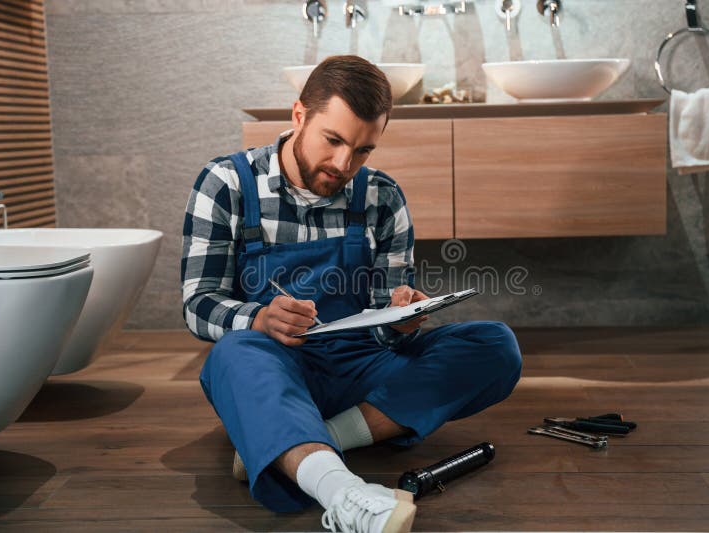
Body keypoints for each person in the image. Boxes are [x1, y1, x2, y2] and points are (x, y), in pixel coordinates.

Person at [180, 55, 522, 533]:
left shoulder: (383, 196)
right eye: (334, 140)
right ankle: (343, 494)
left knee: (494, 345)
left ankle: (304, 442)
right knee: (232, 355)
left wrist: (399, 319)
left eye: (363, 150)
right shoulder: (228, 184)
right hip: (276, 365)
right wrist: (258, 319)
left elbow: (386, 322)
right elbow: (198, 304)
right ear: (299, 115)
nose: (344, 164)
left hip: (361, 365)